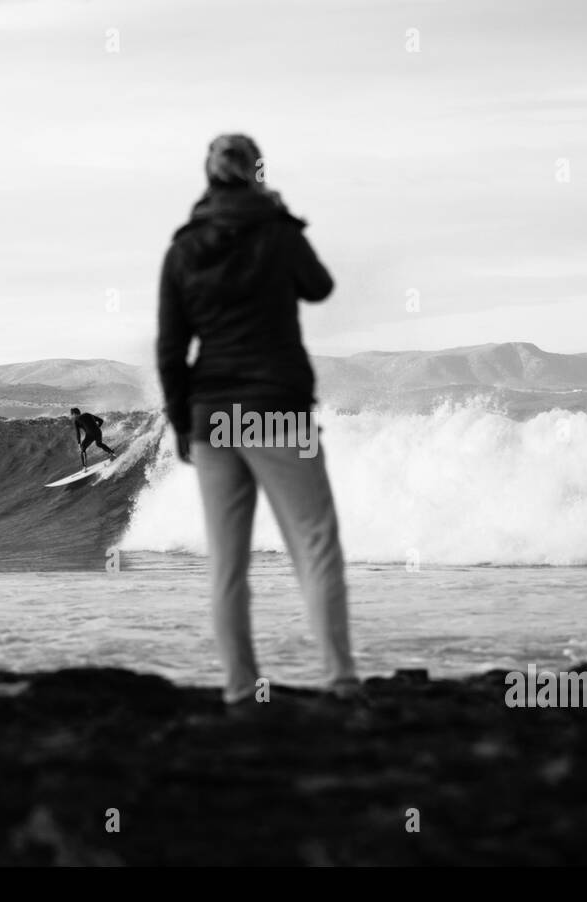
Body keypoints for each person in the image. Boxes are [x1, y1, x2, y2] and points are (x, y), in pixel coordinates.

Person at [156, 133, 360, 707]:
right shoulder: (277, 232)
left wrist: (180, 424)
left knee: (227, 563)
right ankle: (341, 681)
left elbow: (172, 349)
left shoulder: (183, 248)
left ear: (208, 174)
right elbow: (320, 287)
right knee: (315, 543)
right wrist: (282, 214)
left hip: (213, 414)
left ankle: (241, 690)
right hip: (276, 408)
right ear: (255, 172)